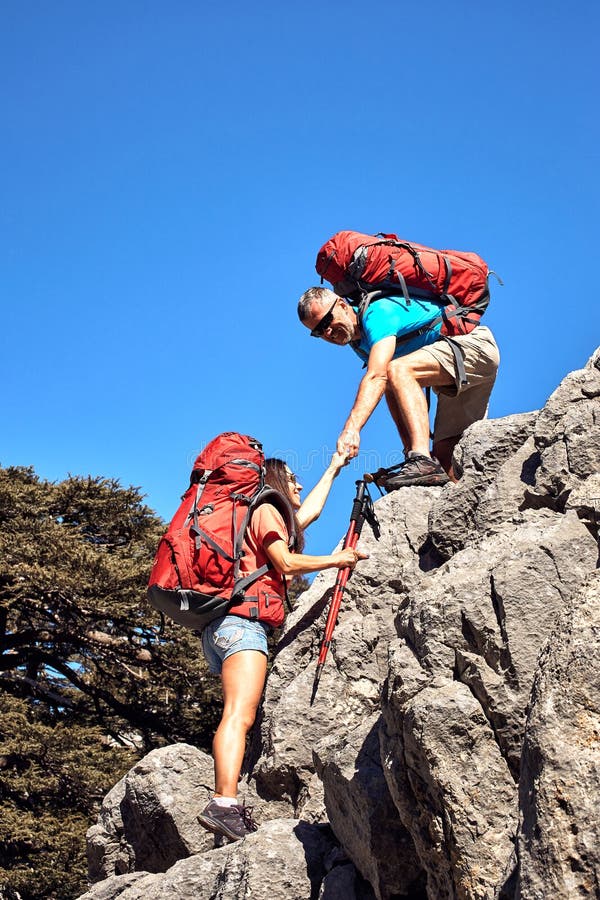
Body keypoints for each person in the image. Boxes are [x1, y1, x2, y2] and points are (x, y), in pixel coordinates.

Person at [197, 452, 367, 843]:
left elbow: (306, 516)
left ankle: (227, 805)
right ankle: (224, 804)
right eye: (292, 477)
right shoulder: (266, 509)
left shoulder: (262, 514)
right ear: (276, 479)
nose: (298, 485)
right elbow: (285, 563)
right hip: (243, 627)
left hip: (223, 628)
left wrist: (335, 466)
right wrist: (337, 559)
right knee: (238, 716)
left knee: (238, 714)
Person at [297, 286, 500, 487]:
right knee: (446, 459)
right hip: (454, 372)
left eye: (326, 321)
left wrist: (352, 429)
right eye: (318, 331)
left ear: (341, 305)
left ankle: (421, 458)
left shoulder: (376, 314)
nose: (327, 332)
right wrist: (408, 453)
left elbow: (377, 375)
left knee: (398, 369)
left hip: (472, 347)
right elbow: (388, 388)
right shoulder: (359, 343)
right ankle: (421, 460)